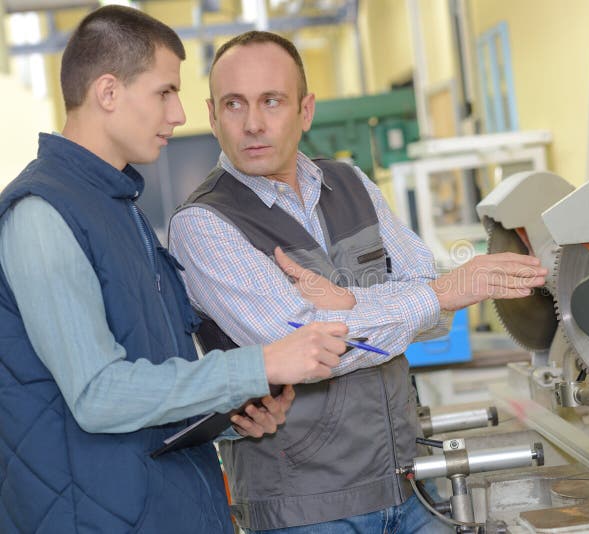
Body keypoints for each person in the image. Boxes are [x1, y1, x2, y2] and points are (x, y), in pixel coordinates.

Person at [168, 31, 548, 533]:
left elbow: (435, 322)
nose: (253, 123)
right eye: (234, 105)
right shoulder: (203, 224)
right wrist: (428, 297)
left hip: (409, 482)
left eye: (272, 101)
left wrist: (348, 303)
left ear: (305, 111)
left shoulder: (350, 184)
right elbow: (303, 349)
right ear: (213, 116)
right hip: (305, 507)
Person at [0, 8, 349, 534]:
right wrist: (259, 365)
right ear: (109, 92)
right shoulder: (42, 214)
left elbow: (151, 374)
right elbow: (98, 395)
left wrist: (232, 414)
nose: (180, 114)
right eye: (165, 92)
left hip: (166, 505)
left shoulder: (118, 208)